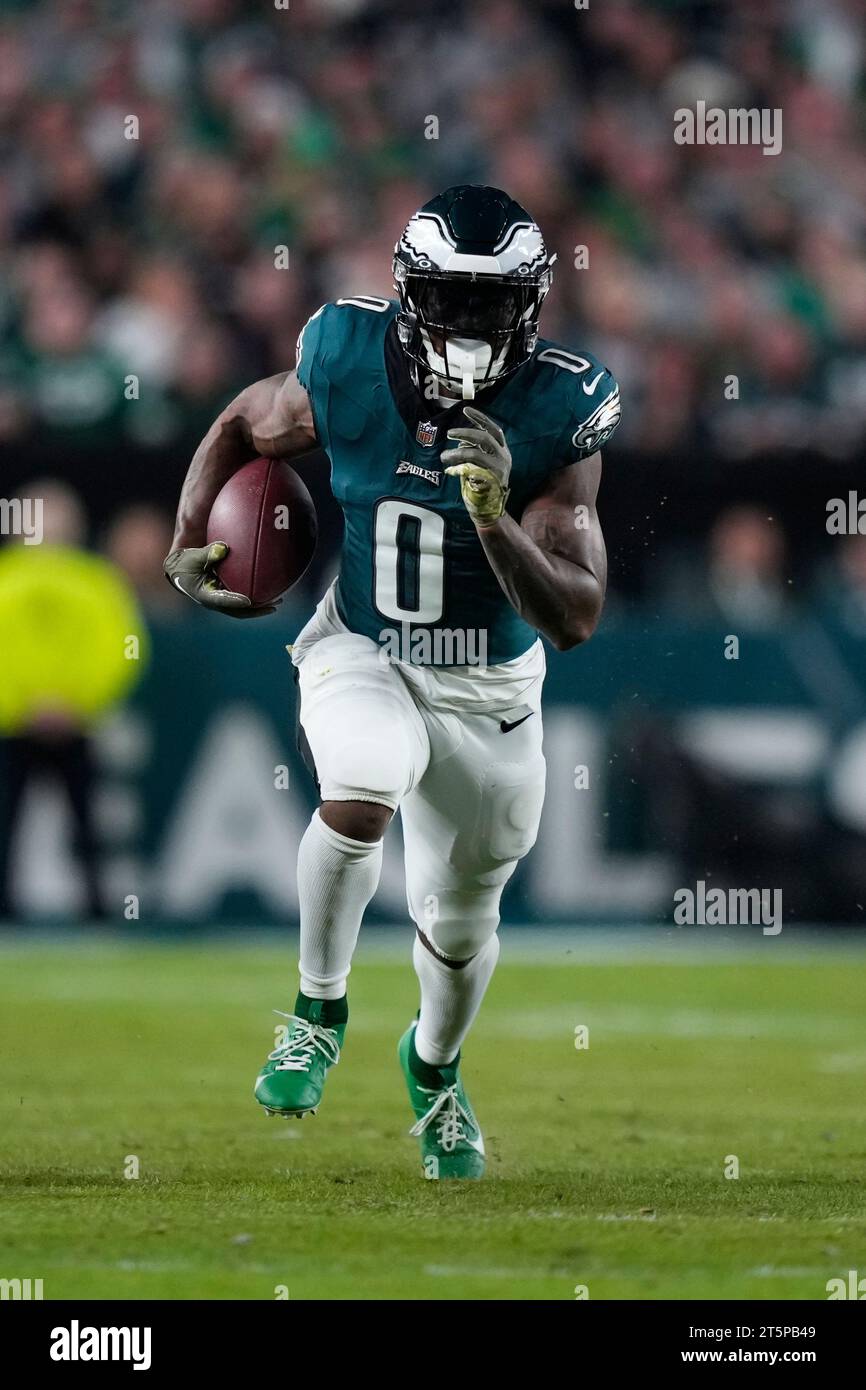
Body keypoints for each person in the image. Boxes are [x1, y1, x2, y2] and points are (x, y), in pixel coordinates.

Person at [164, 185, 621, 1179]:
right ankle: (316, 1011)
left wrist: (493, 517)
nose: (468, 325)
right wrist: (188, 534)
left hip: (489, 688)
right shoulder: (344, 354)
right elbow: (243, 420)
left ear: (531, 303)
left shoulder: (560, 406)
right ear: (410, 291)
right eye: (449, 298)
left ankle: (435, 1071)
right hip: (365, 646)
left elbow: (575, 617)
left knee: (459, 928)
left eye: (489, 303)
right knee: (361, 782)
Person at [0, 481, 146, 920]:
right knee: (11, 821)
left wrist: (76, 703)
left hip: (70, 723)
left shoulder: (96, 581)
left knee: (87, 824)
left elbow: (121, 649)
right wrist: (25, 705)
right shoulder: (89, 580)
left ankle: (96, 908)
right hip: (18, 725)